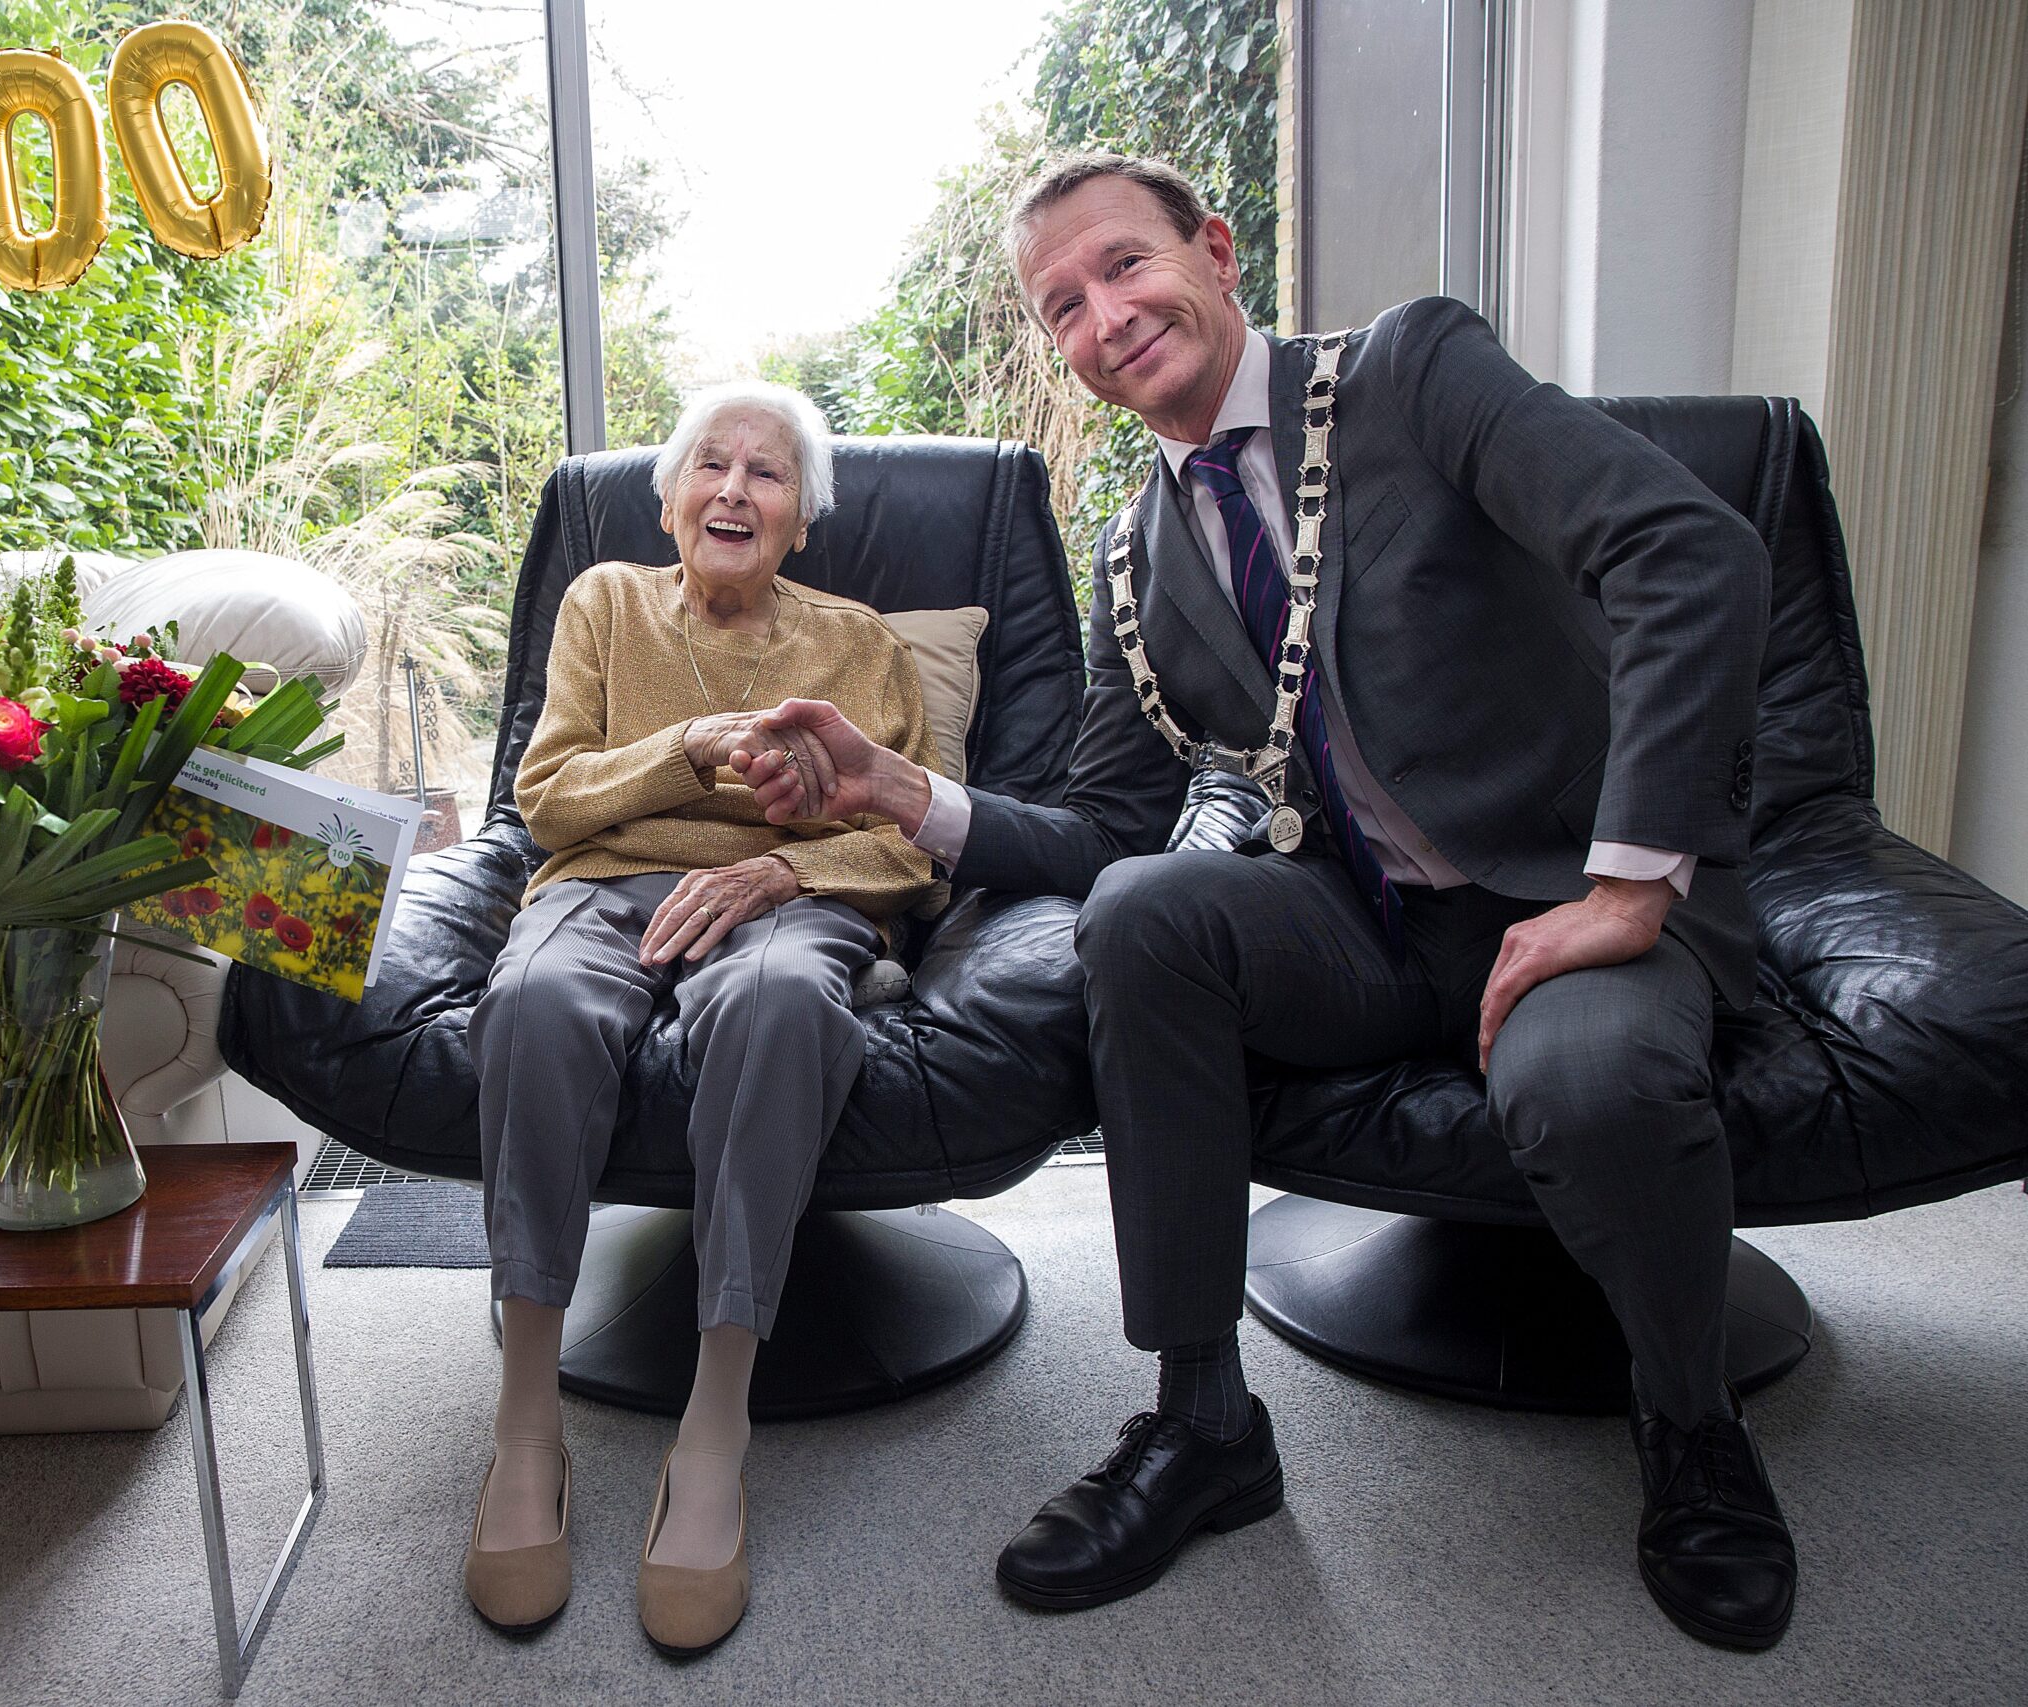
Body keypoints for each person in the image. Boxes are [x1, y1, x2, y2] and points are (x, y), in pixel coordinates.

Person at [741, 154, 1797, 1651]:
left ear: (1217, 252)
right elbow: (1106, 828)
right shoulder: (1143, 551)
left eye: (1124, 266)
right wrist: (899, 795)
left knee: (1590, 1080)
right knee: (1149, 911)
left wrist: (1632, 883)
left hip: (1568, 898)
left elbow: (1691, 552)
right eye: (1064, 305)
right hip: (1368, 922)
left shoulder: (1413, 372)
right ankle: (1204, 1418)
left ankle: (1691, 1425)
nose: (1104, 316)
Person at [463, 380, 938, 1654]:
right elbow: (549, 799)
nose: (735, 489)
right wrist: (695, 747)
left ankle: (713, 1426)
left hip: (790, 896)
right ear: (668, 500)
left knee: (784, 1002)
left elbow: (909, 845)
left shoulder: (862, 646)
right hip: (605, 877)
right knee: (535, 1002)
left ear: (800, 521)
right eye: (710, 467)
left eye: (767, 473)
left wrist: (782, 864)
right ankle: (524, 1428)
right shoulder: (603, 603)